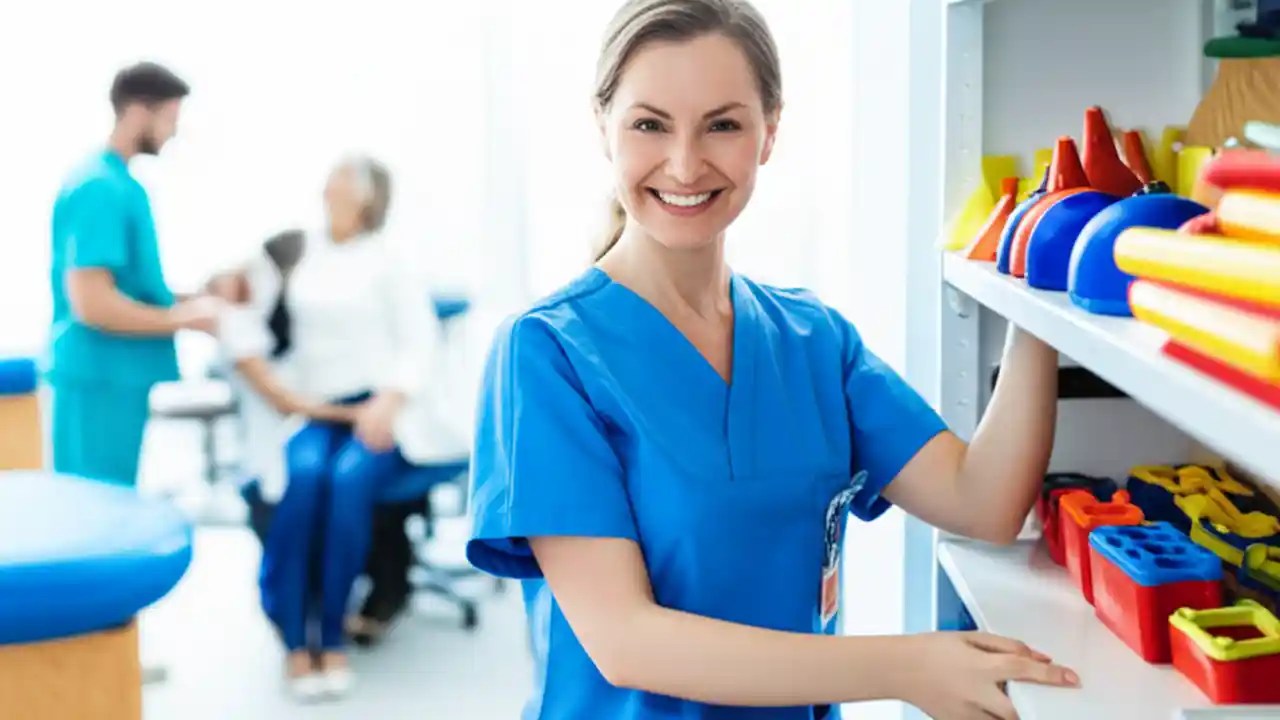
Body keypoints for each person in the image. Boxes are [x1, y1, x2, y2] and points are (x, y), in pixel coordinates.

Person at [465, 2, 1081, 719]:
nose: (686, 163)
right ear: (603, 127)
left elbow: (985, 500)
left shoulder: (812, 341)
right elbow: (626, 641)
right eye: (649, 124)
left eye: (723, 124)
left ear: (770, 132)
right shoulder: (545, 354)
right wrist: (905, 666)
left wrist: (1041, 288)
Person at [254, 156, 465, 701]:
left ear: (368, 197)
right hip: (318, 410)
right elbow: (288, 336)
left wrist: (388, 402)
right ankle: (295, 639)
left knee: (348, 483)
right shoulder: (307, 255)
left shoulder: (389, 262)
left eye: (343, 179)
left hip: (379, 407)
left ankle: (332, 638)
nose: (330, 186)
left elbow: (420, 341)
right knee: (302, 481)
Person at [46, 61, 220, 488]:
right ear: (140, 111)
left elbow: (127, 286)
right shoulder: (100, 187)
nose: (173, 132)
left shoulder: (120, 184)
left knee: (109, 503)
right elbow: (92, 302)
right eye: (170, 118)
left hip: (113, 379)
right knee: (91, 513)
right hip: (96, 377)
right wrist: (185, 319)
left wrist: (183, 300)